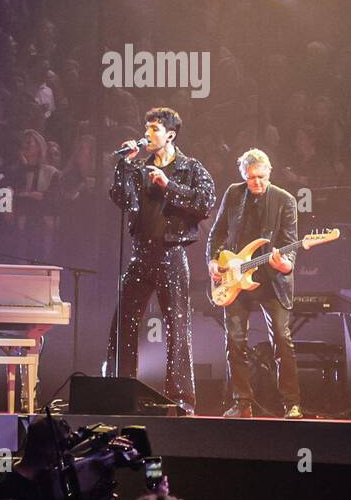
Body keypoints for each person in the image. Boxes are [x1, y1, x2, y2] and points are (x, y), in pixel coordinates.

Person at [107, 107, 216, 415]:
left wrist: (169, 186)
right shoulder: (138, 167)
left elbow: (205, 203)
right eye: (147, 127)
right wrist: (123, 165)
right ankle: (120, 391)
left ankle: (181, 400)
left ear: (170, 134)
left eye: (154, 129)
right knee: (123, 323)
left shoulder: (190, 167)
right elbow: (120, 198)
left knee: (177, 326)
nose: (148, 133)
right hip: (140, 254)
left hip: (171, 254)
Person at [207, 149, 302, 418]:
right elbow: (217, 234)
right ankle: (242, 402)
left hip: (271, 280)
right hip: (236, 278)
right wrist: (213, 262)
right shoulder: (234, 194)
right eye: (251, 178)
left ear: (269, 173)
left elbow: (290, 242)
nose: (256, 182)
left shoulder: (285, 200)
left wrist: (286, 263)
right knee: (235, 340)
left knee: (282, 339)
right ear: (243, 176)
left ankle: (292, 403)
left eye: (261, 177)